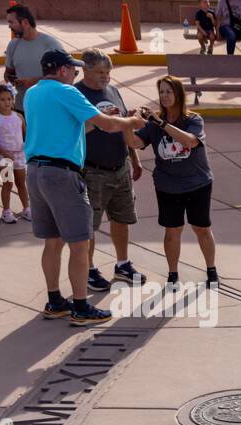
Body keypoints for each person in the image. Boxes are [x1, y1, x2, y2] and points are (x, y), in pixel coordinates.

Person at [23, 48, 147, 325]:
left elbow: (73, 128)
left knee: (52, 242)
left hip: (36, 170)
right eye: (73, 69)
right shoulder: (67, 92)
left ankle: (55, 301)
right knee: (80, 243)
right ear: (63, 70)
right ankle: (81, 307)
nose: (76, 73)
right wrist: (134, 122)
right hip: (61, 173)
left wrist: (99, 123)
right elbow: (108, 123)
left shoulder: (33, 93)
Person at [124, 76, 218, 288]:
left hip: (198, 183)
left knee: (201, 228)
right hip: (168, 186)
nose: (165, 96)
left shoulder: (193, 120)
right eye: (162, 92)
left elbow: (191, 141)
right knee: (172, 231)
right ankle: (173, 274)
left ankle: (211, 270)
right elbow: (134, 142)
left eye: (169, 92)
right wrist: (127, 123)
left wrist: (161, 123)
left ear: (178, 94)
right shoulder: (154, 123)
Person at [75, 50, 144, 290]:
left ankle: (122, 264)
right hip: (92, 169)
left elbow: (124, 124)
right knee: (89, 225)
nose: (105, 77)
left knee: (121, 218)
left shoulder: (113, 92)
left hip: (120, 165)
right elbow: (74, 132)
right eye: (100, 72)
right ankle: (89, 268)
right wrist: (99, 118)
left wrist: (134, 158)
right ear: (85, 70)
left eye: (108, 72)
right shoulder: (76, 94)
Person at [4, 5, 64, 114]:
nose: (9, 26)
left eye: (11, 22)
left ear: (25, 23)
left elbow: (64, 77)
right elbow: (8, 73)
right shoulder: (13, 45)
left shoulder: (51, 44)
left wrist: (35, 81)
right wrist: (11, 80)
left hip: (47, 107)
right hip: (21, 107)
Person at [0, 84, 30, 223]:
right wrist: (4, 153)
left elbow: (26, 136)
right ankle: (6, 211)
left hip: (19, 156)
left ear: (13, 100)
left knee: (21, 184)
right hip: (4, 158)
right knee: (8, 184)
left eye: (9, 99)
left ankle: (26, 209)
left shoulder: (19, 116)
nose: (6, 102)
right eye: (2, 100)